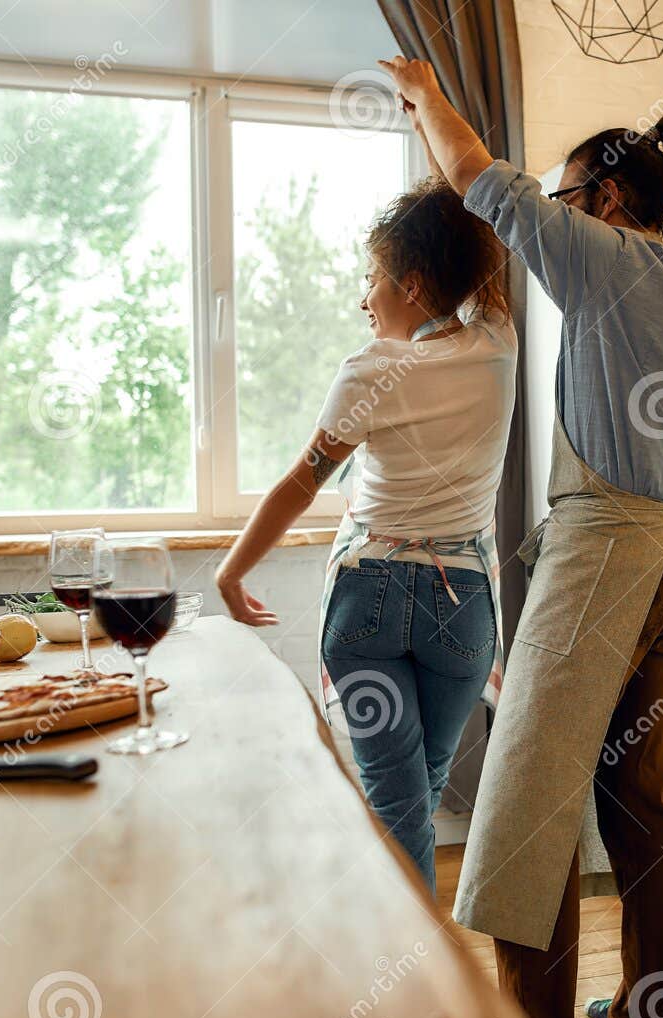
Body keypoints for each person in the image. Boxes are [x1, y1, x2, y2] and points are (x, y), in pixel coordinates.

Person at [378, 56, 663, 1018]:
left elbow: (473, 174)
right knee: (639, 800)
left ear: (602, 197)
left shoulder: (599, 257)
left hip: (603, 548)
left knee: (524, 805)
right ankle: (653, 1017)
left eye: (563, 196)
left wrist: (423, 89)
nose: (551, 214)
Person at [215, 123, 516, 898]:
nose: (363, 297)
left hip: (372, 599)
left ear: (412, 285)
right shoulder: (500, 343)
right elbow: (483, 236)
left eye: (374, 277)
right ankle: (425, 978)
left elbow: (299, 483)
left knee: (392, 799)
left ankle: (413, 988)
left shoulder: (370, 370)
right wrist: (429, 115)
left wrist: (231, 570)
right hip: (464, 608)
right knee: (423, 784)